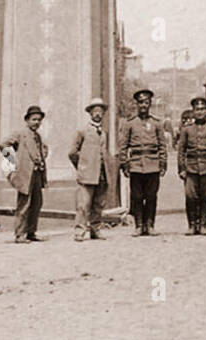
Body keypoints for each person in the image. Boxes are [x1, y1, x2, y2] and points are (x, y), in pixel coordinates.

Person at [119, 88, 166, 236]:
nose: (143, 105)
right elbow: (123, 146)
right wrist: (124, 164)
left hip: (153, 164)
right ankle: (139, 225)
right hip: (136, 165)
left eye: (146, 102)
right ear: (137, 105)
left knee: (151, 196)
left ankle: (150, 225)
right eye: (140, 103)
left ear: (150, 104)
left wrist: (163, 163)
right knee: (137, 196)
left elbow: (162, 145)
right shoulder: (130, 123)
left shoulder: (157, 123)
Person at [0, 105, 49, 243]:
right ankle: (20, 234)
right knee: (24, 204)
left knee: (37, 203)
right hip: (25, 175)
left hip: (37, 174)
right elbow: (3, 145)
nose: (37, 122)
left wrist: (43, 156)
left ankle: (31, 232)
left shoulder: (38, 136)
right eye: (34, 119)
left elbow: (42, 150)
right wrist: (11, 163)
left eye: (39, 120)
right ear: (27, 120)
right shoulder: (20, 134)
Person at [178, 97, 206, 235]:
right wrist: (182, 169)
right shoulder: (187, 130)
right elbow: (181, 150)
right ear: (193, 111)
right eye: (197, 109)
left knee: (205, 197)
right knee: (190, 197)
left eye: (203, 109)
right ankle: (192, 225)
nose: (200, 112)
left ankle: (203, 225)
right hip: (191, 168)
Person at [70, 98, 112, 241]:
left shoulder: (104, 133)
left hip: (101, 173)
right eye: (95, 111)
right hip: (87, 173)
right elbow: (72, 153)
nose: (98, 114)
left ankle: (95, 230)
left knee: (98, 203)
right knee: (83, 204)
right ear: (90, 113)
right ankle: (79, 232)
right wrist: (82, 166)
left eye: (100, 111)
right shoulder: (83, 131)